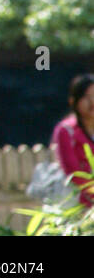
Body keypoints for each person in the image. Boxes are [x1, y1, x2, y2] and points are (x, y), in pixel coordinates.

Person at [50, 72, 94, 209]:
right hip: (79, 207)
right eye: (86, 97)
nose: (92, 102)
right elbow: (74, 173)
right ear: (73, 101)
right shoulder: (66, 131)